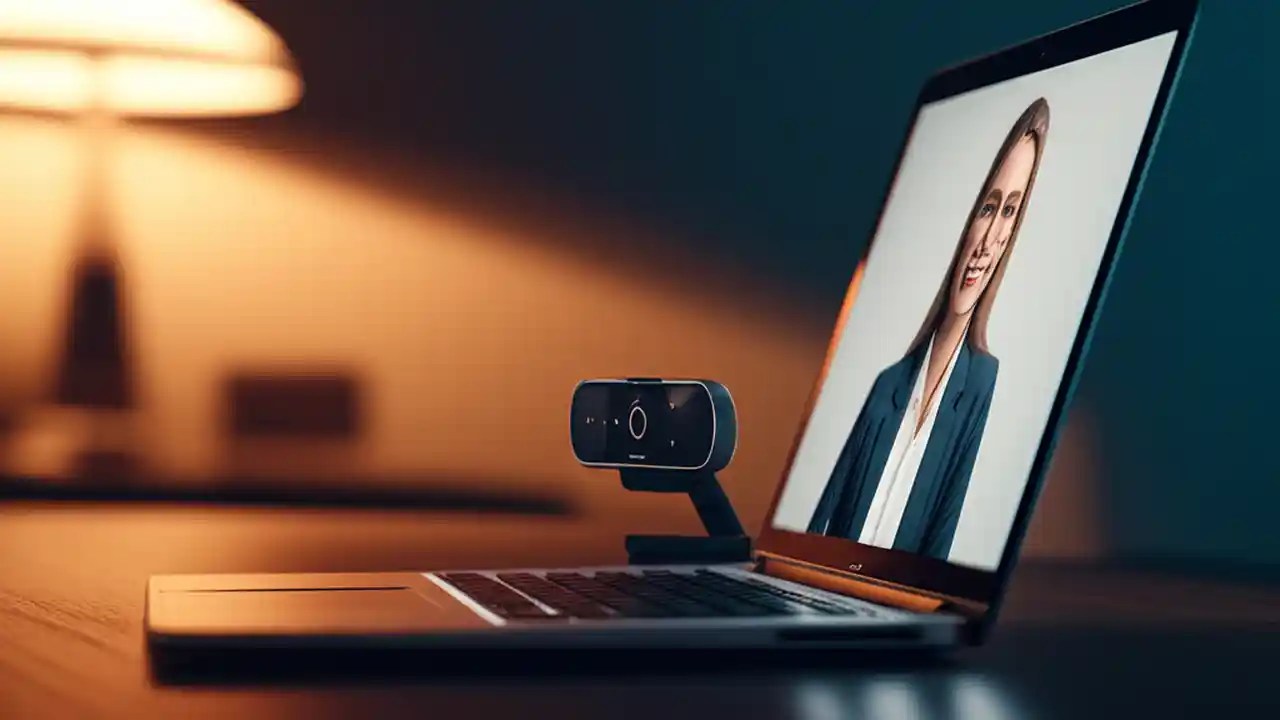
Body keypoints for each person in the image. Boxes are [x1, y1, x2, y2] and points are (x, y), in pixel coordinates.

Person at [807, 98, 1051, 559]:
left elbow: (942, 538)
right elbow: (817, 528)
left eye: (1011, 212)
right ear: (968, 219)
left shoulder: (982, 381)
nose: (989, 239)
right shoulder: (887, 386)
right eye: (989, 207)